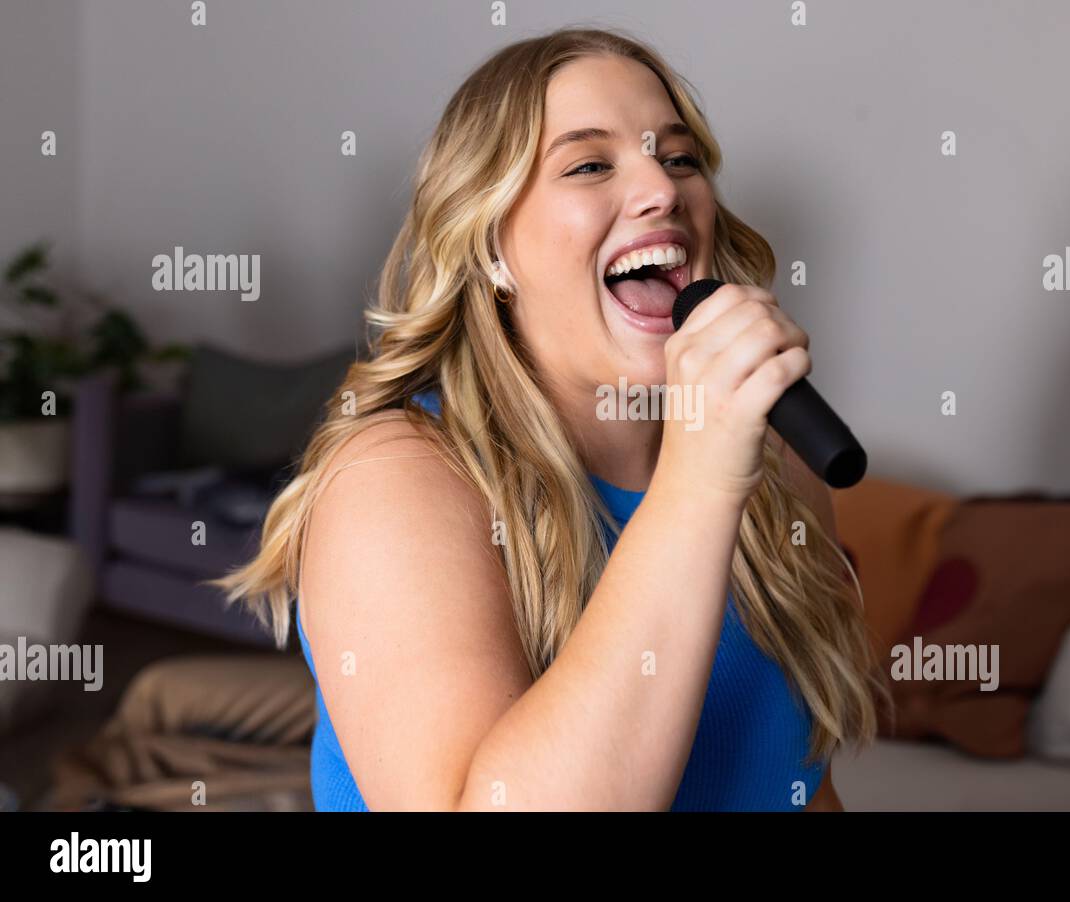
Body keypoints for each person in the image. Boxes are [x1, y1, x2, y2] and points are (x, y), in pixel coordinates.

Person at [212, 26, 888, 811]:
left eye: (678, 157)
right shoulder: (391, 481)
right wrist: (697, 485)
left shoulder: (776, 463)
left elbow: (801, 785)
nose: (664, 190)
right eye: (590, 164)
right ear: (493, 244)